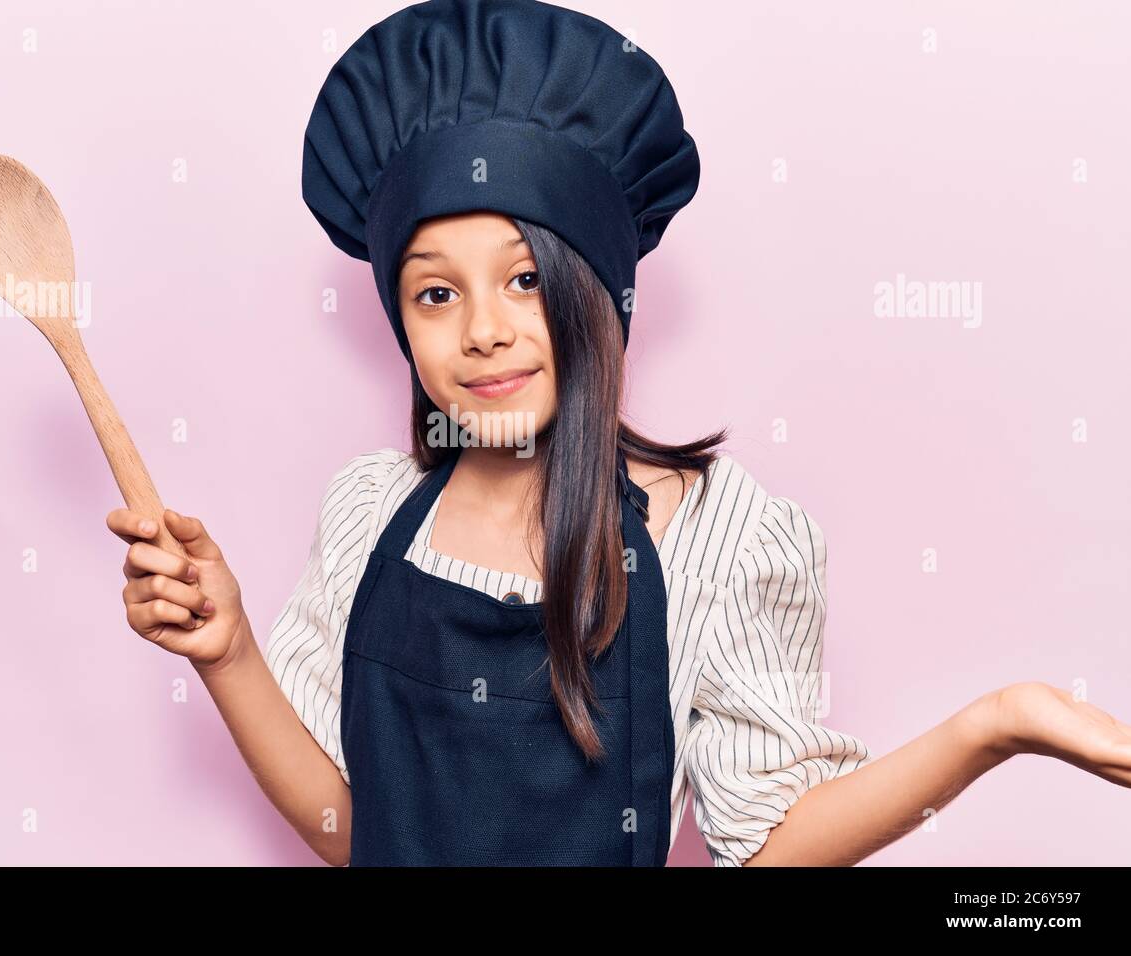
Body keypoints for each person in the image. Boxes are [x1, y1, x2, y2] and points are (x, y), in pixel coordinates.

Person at [105, 0, 1131, 867]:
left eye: (521, 276)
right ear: (398, 322)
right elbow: (355, 829)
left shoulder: (720, 536)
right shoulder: (370, 510)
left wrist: (995, 724)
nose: (484, 330)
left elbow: (766, 843)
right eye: (432, 293)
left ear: (597, 292)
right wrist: (228, 647)